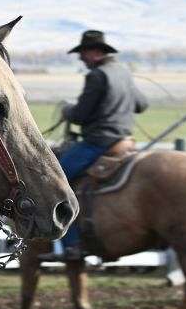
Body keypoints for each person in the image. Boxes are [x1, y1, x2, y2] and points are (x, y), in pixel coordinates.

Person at [56, 29, 148, 259]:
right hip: (124, 141)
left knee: (56, 181)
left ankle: (72, 244)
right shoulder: (123, 72)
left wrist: (68, 110)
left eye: (83, 53)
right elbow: (142, 104)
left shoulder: (96, 76)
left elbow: (80, 115)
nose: (81, 58)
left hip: (100, 141)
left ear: (95, 52)